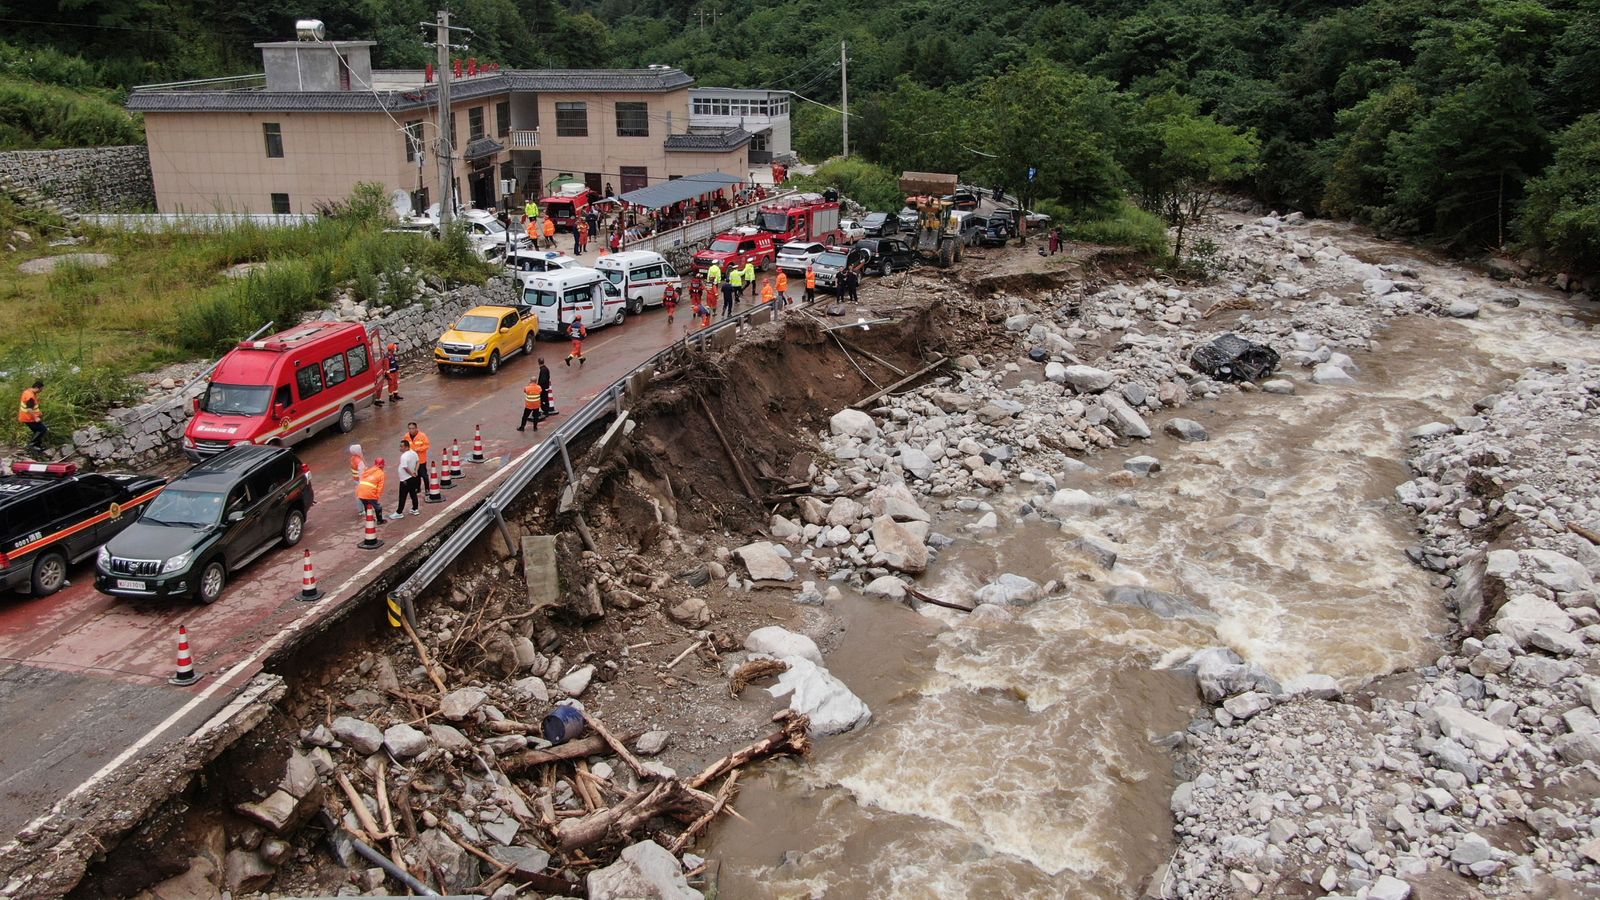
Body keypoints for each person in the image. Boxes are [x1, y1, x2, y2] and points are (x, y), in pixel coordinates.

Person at [392, 439, 421, 518]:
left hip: (405, 479)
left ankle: (399, 512)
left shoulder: (404, 456)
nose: (400, 448)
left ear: (407, 447)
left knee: (402, 496)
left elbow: (405, 467)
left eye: (402, 446)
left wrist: (411, 473)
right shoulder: (413, 453)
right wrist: (415, 471)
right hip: (412, 478)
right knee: (413, 494)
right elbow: (418, 461)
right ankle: (415, 509)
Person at [18, 379, 47, 454]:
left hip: (26, 417)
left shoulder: (28, 391)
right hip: (29, 418)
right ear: (37, 387)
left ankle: (38, 446)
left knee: (37, 431)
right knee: (43, 429)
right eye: (41, 389)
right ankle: (31, 445)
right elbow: (29, 409)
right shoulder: (30, 396)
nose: (41, 391)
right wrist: (36, 417)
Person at [357, 458, 387, 523]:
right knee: (377, 507)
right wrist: (377, 496)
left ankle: (370, 519)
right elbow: (380, 487)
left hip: (360, 492)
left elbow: (362, 477)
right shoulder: (381, 473)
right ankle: (380, 520)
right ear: (382, 465)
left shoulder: (370, 470)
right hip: (370, 493)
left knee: (367, 506)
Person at [348, 442, 365, 513]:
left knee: (359, 494)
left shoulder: (353, 458)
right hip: (361, 480)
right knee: (362, 495)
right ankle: (362, 510)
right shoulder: (359, 461)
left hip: (356, 479)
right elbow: (361, 472)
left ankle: (361, 509)